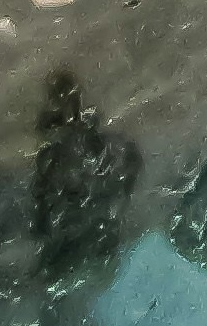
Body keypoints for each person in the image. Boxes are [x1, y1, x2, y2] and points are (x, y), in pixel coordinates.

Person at [29, 68, 142, 281]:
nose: (64, 101)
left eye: (66, 95)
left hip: (85, 210)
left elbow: (118, 163)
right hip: (75, 212)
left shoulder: (85, 131)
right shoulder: (54, 138)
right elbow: (43, 184)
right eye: (60, 95)